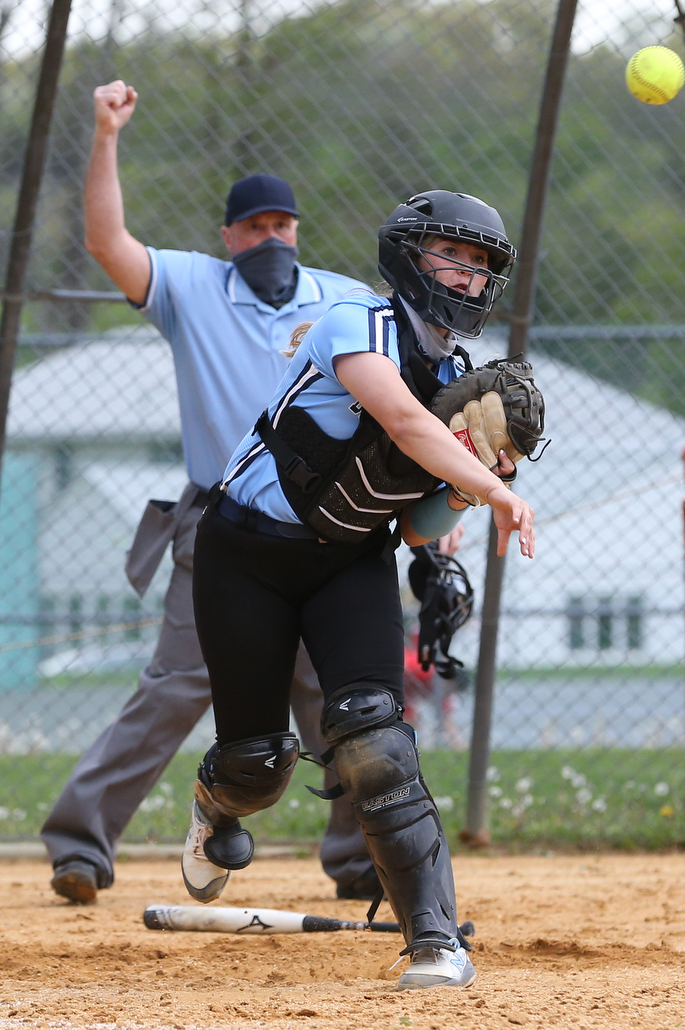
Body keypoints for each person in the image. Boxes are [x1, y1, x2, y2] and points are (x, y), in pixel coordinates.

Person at [182, 189, 535, 990]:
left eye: (483, 265)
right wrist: (500, 489)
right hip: (246, 551)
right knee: (256, 765)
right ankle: (216, 804)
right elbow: (407, 427)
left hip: (347, 559)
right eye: (454, 255)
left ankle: (434, 940)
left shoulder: (456, 376)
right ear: (409, 255)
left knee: (374, 739)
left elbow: (414, 521)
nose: (469, 275)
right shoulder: (354, 322)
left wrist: (466, 508)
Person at [40, 79, 374, 904]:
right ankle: (79, 844)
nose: (272, 238)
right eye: (256, 227)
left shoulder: (343, 299)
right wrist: (107, 134)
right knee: (178, 686)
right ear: (230, 236)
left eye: (283, 225)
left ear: (299, 232)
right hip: (219, 524)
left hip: (325, 526)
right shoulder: (191, 287)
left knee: (337, 698)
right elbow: (105, 237)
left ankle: (364, 859)